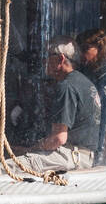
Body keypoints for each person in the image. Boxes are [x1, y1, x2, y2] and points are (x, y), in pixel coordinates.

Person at [12, 36, 100, 173]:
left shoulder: (66, 86)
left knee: (4, 169)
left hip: (72, 156)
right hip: (84, 155)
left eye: (47, 56)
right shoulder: (84, 82)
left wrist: (29, 149)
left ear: (61, 59)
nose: (44, 60)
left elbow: (58, 138)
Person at [76, 28, 106, 104]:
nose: (81, 53)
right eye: (78, 50)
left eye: (85, 49)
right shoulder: (87, 66)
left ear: (100, 47)